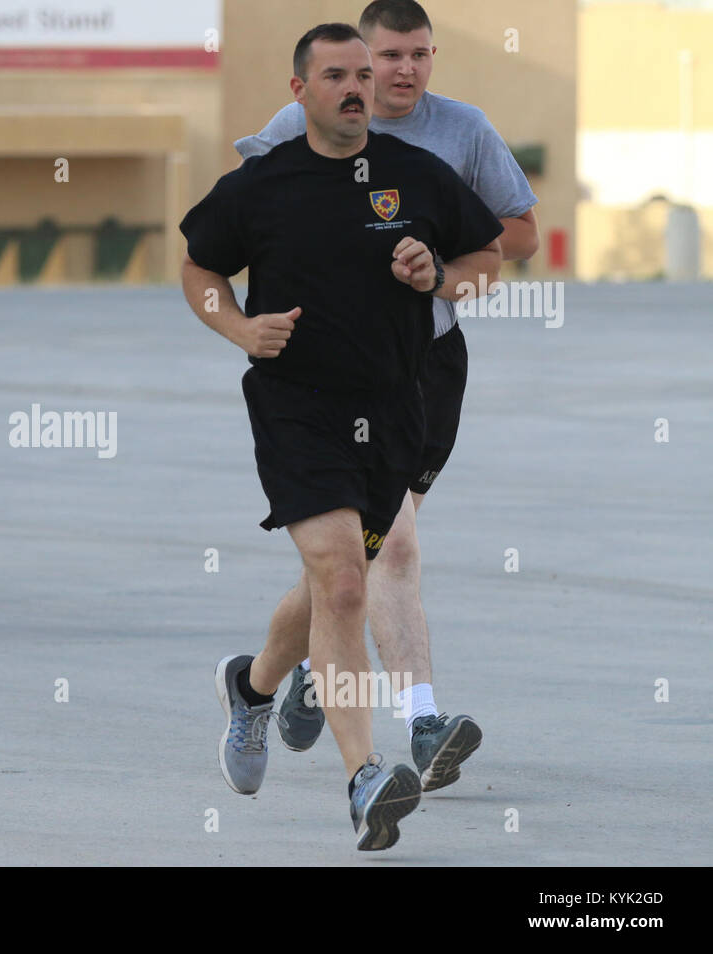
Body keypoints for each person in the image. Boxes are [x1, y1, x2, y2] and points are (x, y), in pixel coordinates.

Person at [180, 25, 502, 848]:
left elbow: (489, 256)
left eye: (366, 73)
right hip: (298, 408)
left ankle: (252, 689)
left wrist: (443, 277)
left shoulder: (419, 175)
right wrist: (239, 330)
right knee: (345, 581)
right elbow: (198, 268)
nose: (359, 87)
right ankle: (364, 778)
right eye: (339, 75)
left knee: (340, 580)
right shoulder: (261, 185)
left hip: (396, 409)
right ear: (300, 91)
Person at [233, 0, 540, 791]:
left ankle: (269, 680)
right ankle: (423, 719)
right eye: (386, 57)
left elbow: (519, 235)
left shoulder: (461, 130)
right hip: (323, 377)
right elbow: (244, 218)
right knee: (387, 548)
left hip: (425, 366)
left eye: (419, 55)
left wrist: (435, 264)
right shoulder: (298, 123)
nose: (402, 71)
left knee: (354, 561)